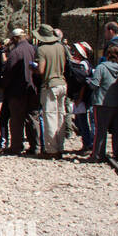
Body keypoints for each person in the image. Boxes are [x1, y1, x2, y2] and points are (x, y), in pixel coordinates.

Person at [86, 44, 118, 161]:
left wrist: (88, 80)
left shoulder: (101, 67)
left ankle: (98, 154)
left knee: (101, 130)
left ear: (107, 55)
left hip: (102, 103)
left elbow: (94, 85)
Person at [2, 28, 39, 155]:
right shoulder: (33, 49)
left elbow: (9, 72)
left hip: (17, 91)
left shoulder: (15, 52)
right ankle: (35, 145)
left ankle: (16, 146)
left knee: (17, 119)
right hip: (32, 89)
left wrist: (3, 86)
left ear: (15, 38)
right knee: (32, 118)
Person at [34, 24, 69, 159]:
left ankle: (51, 149)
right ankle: (60, 146)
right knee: (61, 116)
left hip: (50, 85)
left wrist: (34, 69)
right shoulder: (61, 47)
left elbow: (41, 70)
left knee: (50, 117)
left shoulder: (42, 49)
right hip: (62, 83)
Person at [67, 41, 94, 153]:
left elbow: (82, 82)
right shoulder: (86, 64)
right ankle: (88, 143)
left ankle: (87, 143)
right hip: (85, 96)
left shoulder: (82, 65)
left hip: (83, 96)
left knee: (83, 121)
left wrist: (79, 97)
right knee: (83, 120)